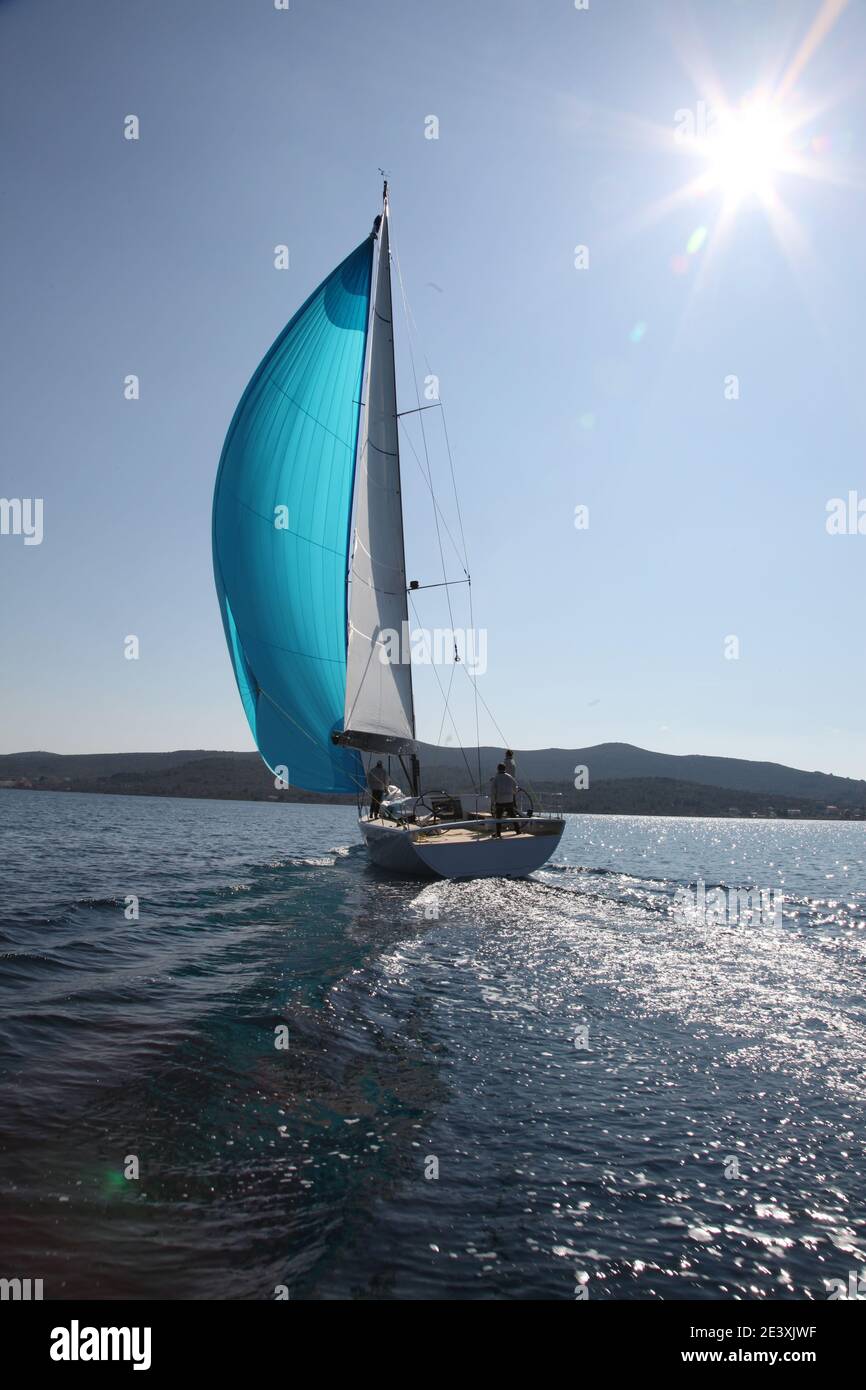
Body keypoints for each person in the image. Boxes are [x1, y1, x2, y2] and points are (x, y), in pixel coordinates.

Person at [489, 762, 518, 837]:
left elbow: (493, 791)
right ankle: (518, 830)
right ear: (505, 769)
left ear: (498, 769)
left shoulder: (496, 778)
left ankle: (498, 833)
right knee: (513, 815)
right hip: (509, 800)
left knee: (498, 817)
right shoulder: (510, 777)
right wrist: (513, 794)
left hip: (500, 800)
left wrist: (492, 802)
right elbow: (515, 787)